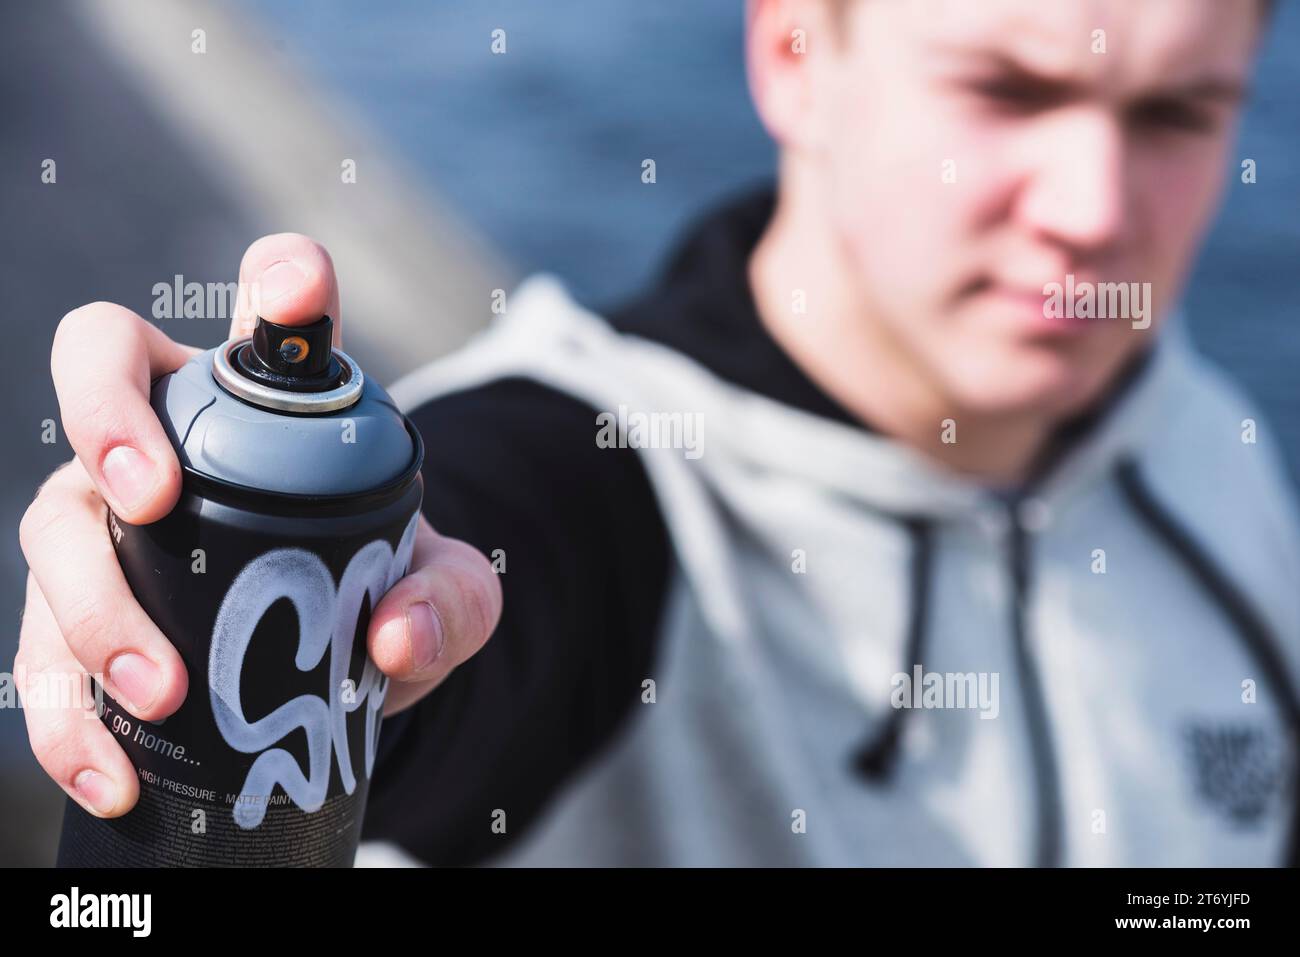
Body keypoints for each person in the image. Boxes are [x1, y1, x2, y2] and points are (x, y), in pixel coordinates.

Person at [17, 0, 1297, 866]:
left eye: (1177, 116)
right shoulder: (591, 488)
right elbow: (473, 562)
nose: (1094, 208)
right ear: (794, 49)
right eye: (1005, 90)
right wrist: (226, 553)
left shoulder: (1207, 443)